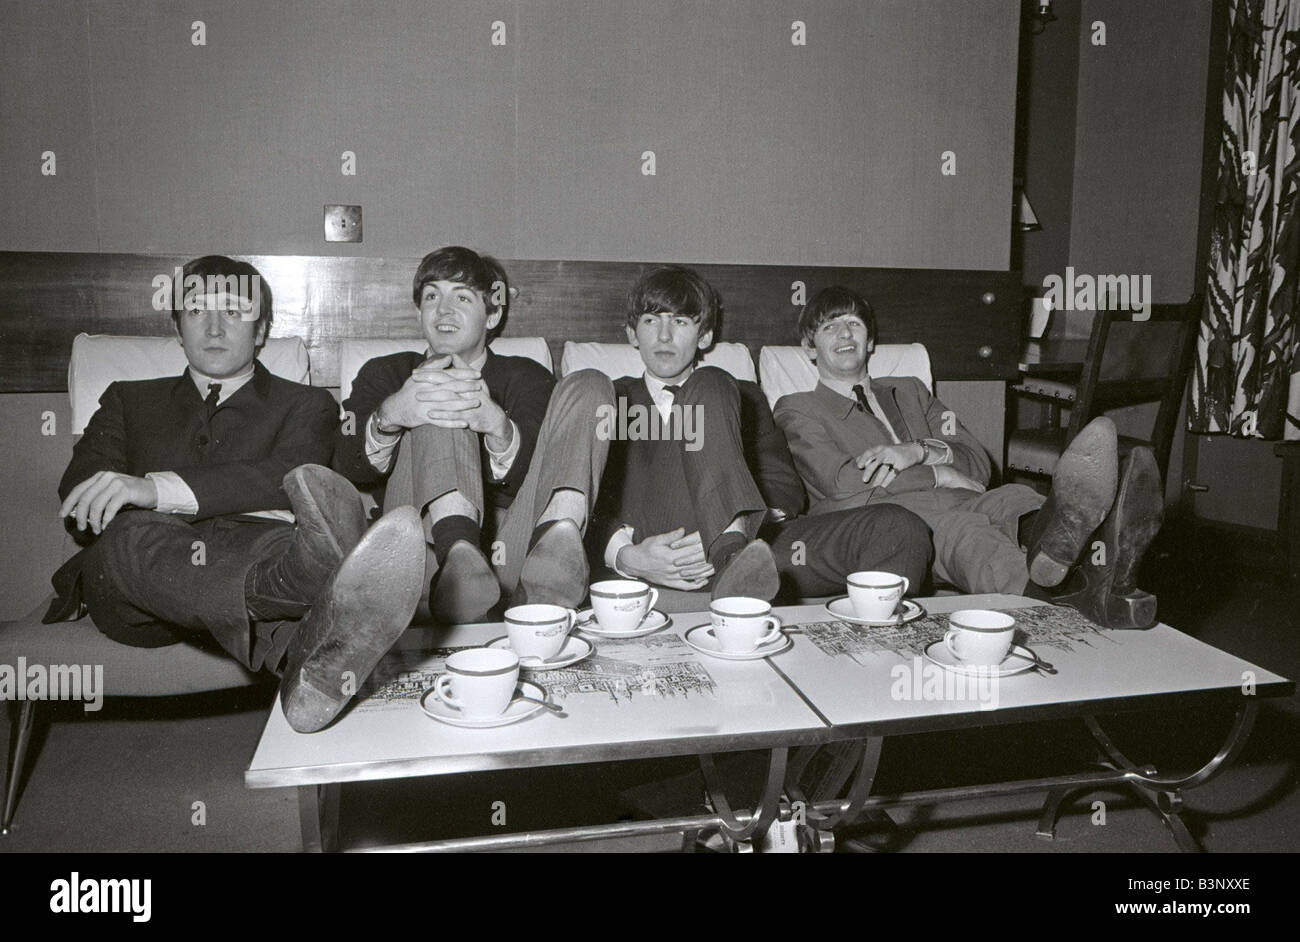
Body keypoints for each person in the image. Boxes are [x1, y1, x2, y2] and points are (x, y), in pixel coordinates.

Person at [49, 255, 425, 733]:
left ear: (261, 330)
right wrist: (144, 500)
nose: (214, 326)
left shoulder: (307, 404)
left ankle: (301, 656)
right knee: (127, 534)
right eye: (197, 311)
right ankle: (298, 589)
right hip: (138, 592)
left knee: (294, 542)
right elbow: (83, 497)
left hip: (259, 553)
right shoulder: (126, 399)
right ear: (178, 329)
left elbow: (290, 474)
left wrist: (150, 486)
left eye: (232, 310)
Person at [773, 285, 1162, 627]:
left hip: (965, 499)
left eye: (854, 324)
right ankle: (1065, 608)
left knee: (1015, 498)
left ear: (870, 340)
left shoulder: (909, 391)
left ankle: (1094, 559)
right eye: (829, 327)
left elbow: (976, 460)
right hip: (891, 521)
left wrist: (920, 450)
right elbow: (842, 480)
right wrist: (939, 473)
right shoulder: (798, 408)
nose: (845, 333)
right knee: (968, 534)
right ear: (810, 348)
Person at [589, 266, 932, 601]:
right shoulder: (612, 399)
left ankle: (869, 639)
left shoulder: (742, 395)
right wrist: (628, 557)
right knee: (709, 381)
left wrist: (734, 522)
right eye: (651, 321)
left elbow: (784, 489)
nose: (664, 336)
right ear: (632, 334)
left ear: (704, 335)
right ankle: (730, 562)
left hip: (751, 551)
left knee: (899, 528)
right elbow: (588, 500)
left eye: (679, 321)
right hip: (653, 547)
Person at [333, 245, 614, 623]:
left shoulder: (527, 377)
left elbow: (545, 466)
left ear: (492, 314)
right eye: (432, 296)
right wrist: (391, 415)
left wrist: (497, 427)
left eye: (461, 297)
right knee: (437, 381)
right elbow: (344, 461)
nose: (443, 310)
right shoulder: (382, 373)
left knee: (592, 383)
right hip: (420, 552)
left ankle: (555, 554)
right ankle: (457, 561)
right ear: (418, 311)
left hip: (515, 552)